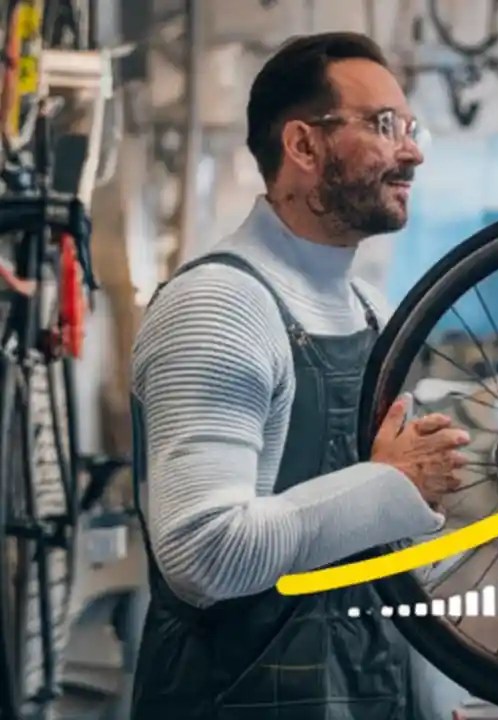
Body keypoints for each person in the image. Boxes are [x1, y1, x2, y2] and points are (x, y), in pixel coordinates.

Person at [127, 31, 466, 719]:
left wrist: (433, 696)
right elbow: (204, 558)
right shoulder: (220, 306)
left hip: (368, 693)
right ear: (304, 148)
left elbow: (381, 555)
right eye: (382, 126)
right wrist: (391, 483)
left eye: (409, 126)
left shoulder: (373, 312)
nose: (412, 150)